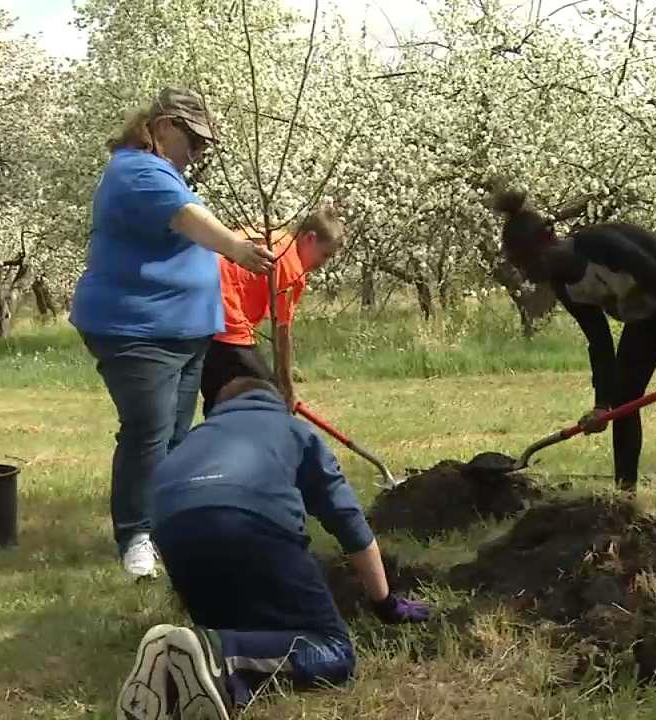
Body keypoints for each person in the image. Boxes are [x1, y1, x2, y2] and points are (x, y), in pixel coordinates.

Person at [115, 378, 430, 720]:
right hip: (252, 523)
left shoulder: (194, 439)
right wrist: (384, 603)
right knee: (332, 649)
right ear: (278, 403)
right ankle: (223, 656)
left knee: (241, 635)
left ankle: (177, 670)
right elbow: (350, 523)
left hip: (174, 534)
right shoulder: (294, 431)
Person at [69, 86, 276, 580]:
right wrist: (236, 248)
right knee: (148, 432)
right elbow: (188, 219)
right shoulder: (136, 170)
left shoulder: (161, 171)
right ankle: (136, 536)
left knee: (176, 436)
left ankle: (167, 524)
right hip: (138, 329)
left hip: (183, 330)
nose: (199, 154)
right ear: (162, 128)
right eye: (194, 141)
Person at [492, 189, 656, 542]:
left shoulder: (602, 244)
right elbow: (599, 344)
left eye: (530, 261)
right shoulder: (565, 286)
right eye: (522, 266)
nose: (529, 272)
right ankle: (624, 504)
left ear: (549, 240)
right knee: (623, 403)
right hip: (645, 312)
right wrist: (602, 404)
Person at [198, 206, 345, 416]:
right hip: (223, 313)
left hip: (195, 306)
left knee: (223, 398)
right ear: (310, 238)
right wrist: (287, 390)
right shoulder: (288, 262)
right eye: (325, 254)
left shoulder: (275, 238)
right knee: (265, 400)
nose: (323, 264)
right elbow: (281, 332)